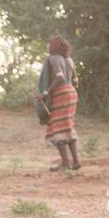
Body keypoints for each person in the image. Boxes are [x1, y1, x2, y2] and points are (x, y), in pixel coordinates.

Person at [36, 36, 80, 171]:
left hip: (61, 94)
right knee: (67, 127)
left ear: (54, 46)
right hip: (71, 93)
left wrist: (46, 92)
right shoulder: (69, 60)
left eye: (49, 44)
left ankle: (65, 163)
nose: (47, 47)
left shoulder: (54, 58)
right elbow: (76, 80)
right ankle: (76, 162)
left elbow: (59, 77)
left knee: (57, 127)